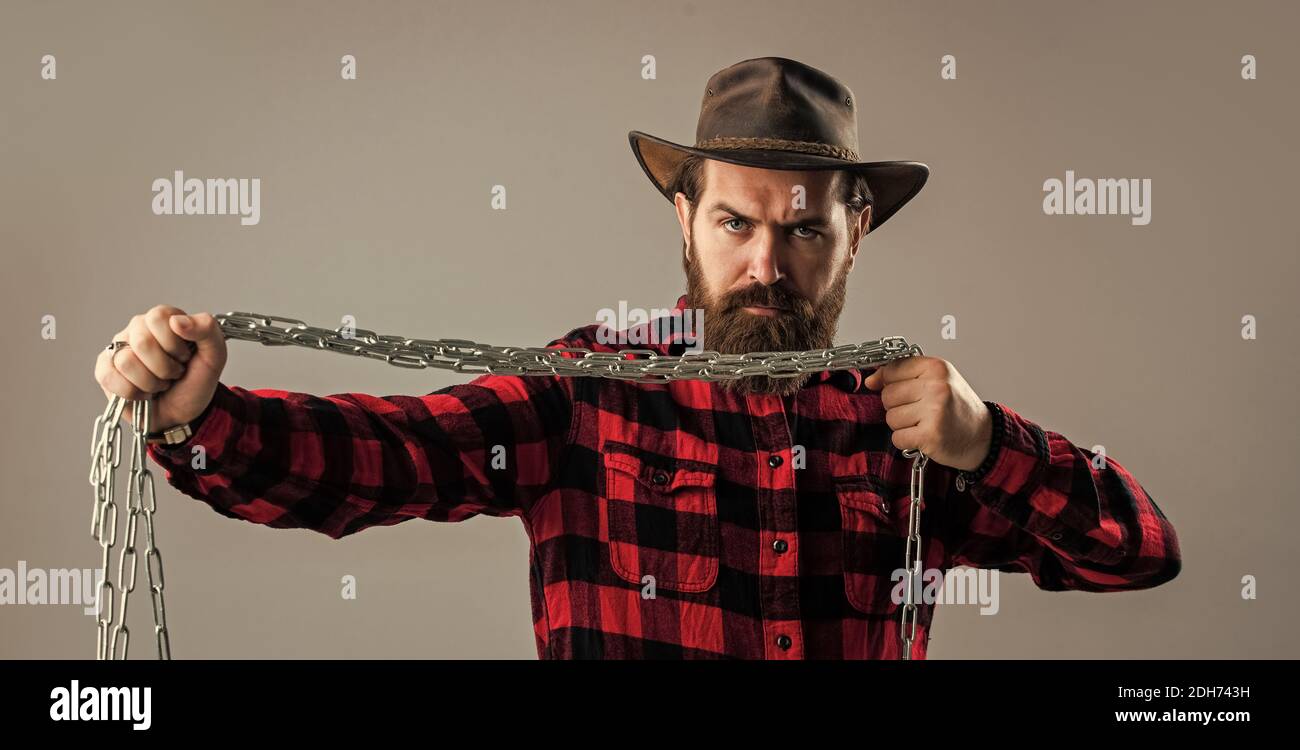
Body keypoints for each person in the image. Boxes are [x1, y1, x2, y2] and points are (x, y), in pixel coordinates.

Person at [93, 57, 1180, 659]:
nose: (766, 263)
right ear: (684, 220)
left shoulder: (917, 430)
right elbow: (388, 457)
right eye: (734, 225)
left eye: (803, 230)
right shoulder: (590, 392)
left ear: (857, 230)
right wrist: (203, 417)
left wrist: (988, 444)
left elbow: (1134, 551)